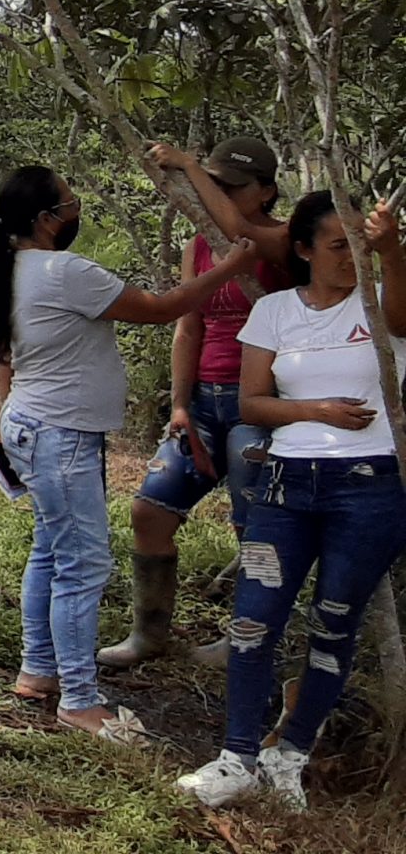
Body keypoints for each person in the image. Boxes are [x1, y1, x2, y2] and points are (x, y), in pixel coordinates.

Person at [0, 166, 256, 740]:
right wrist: (227, 269)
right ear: (48, 219)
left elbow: (7, 359)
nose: (78, 210)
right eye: (71, 202)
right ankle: (79, 698)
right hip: (62, 434)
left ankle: (39, 670)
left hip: (33, 424)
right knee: (83, 563)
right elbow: (158, 307)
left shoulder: (10, 269)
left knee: (52, 549)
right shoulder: (63, 270)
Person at [177, 193, 406, 811]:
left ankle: (290, 756)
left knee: (335, 625)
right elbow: (251, 404)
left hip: (370, 486)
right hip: (284, 485)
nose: (350, 258)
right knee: (253, 622)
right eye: (338, 246)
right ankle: (236, 758)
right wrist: (317, 410)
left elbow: (404, 319)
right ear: (303, 250)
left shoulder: (382, 301)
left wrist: (391, 251)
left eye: (360, 245)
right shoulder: (276, 311)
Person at [100, 138, 290, 668]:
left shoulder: (283, 241)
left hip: (261, 400)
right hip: (206, 399)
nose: (216, 194)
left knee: (253, 529)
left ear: (268, 191)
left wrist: (186, 166)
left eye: (232, 186)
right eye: (213, 182)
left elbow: (238, 232)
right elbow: (191, 325)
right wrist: (179, 405)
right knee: (149, 510)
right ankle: (149, 633)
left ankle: (246, 640)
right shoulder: (198, 247)